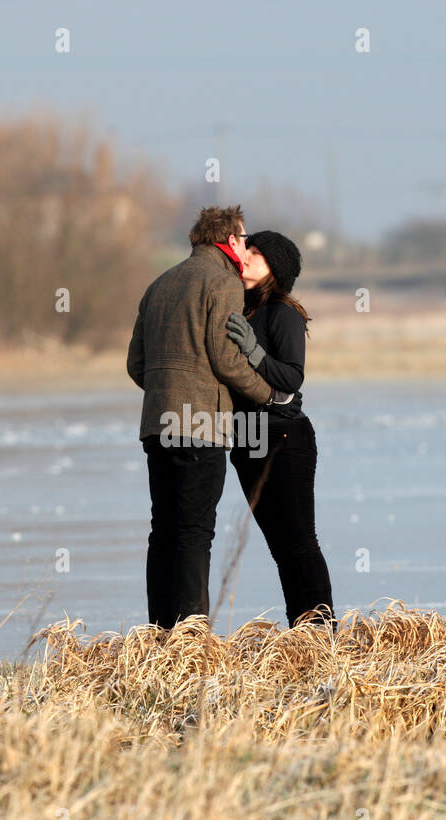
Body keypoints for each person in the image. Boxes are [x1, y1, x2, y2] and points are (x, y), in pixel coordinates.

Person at [127, 206, 273, 630]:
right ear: (228, 241)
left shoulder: (159, 285)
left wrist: (167, 393)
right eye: (244, 240)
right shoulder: (223, 283)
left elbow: (137, 364)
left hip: (158, 426)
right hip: (201, 427)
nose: (246, 250)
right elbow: (226, 359)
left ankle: (160, 634)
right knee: (194, 532)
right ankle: (191, 638)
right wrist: (269, 395)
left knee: (164, 532)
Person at [224, 230, 335, 628]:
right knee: (281, 549)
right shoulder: (236, 307)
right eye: (246, 250)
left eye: (259, 254)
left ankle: (321, 634)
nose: (248, 257)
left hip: (285, 438)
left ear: (277, 269)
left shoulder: (284, 313)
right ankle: (301, 633)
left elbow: (291, 378)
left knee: (300, 542)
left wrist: (254, 352)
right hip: (247, 440)